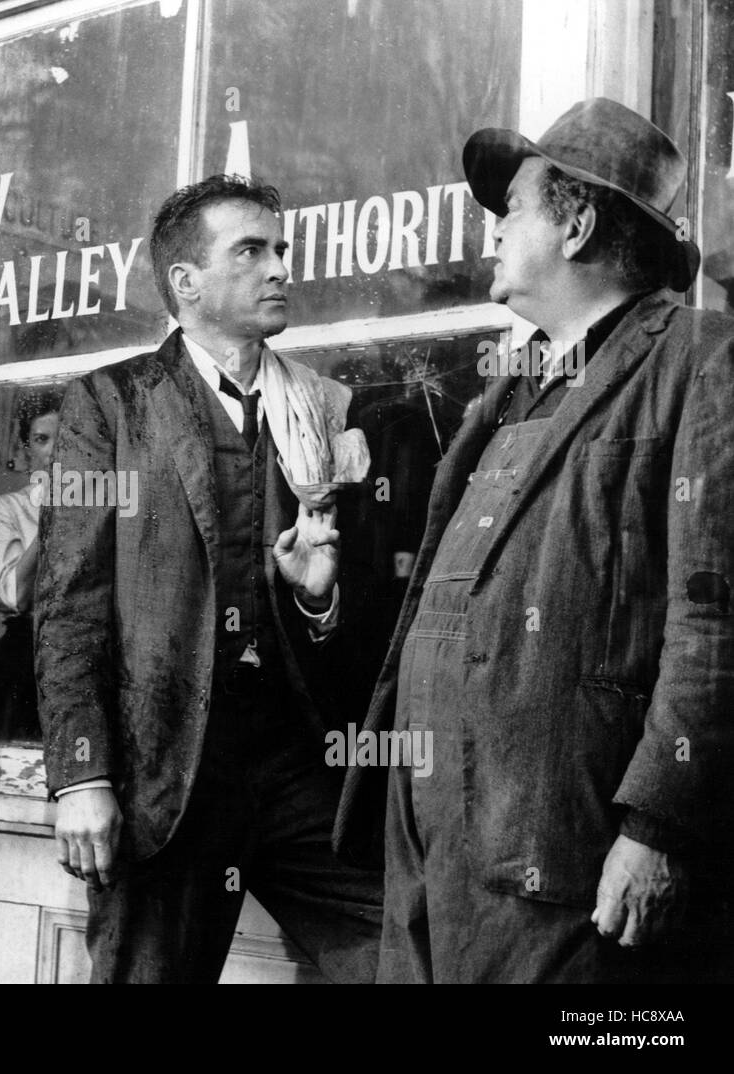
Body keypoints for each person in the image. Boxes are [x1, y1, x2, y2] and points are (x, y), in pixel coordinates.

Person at [334, 98, 734, 983]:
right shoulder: (507, 391)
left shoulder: (700, 357)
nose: (495, 228)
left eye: (513, 205)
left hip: (564, 852)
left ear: (579, 224)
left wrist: (655, 825)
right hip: (427, 842)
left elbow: (716, 623)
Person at [36, 174, 383, 983]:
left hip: (299, 766)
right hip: (166, 776)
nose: (279, 269)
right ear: (186, 283)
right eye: (252, 251)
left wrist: (317, 599)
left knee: (405, 949)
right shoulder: (109, 405)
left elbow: (363, 615)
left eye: (281, 250)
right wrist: (80, 775)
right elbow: (68, 606)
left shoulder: (322, 408)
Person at [0, 394, 61, 741]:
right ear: (27, 450)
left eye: (64, 435)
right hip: (23, 655)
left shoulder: (105, 502)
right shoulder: (7, 508)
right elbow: (16, 596)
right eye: (41, 439)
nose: (54, 450)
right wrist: (55, 512)